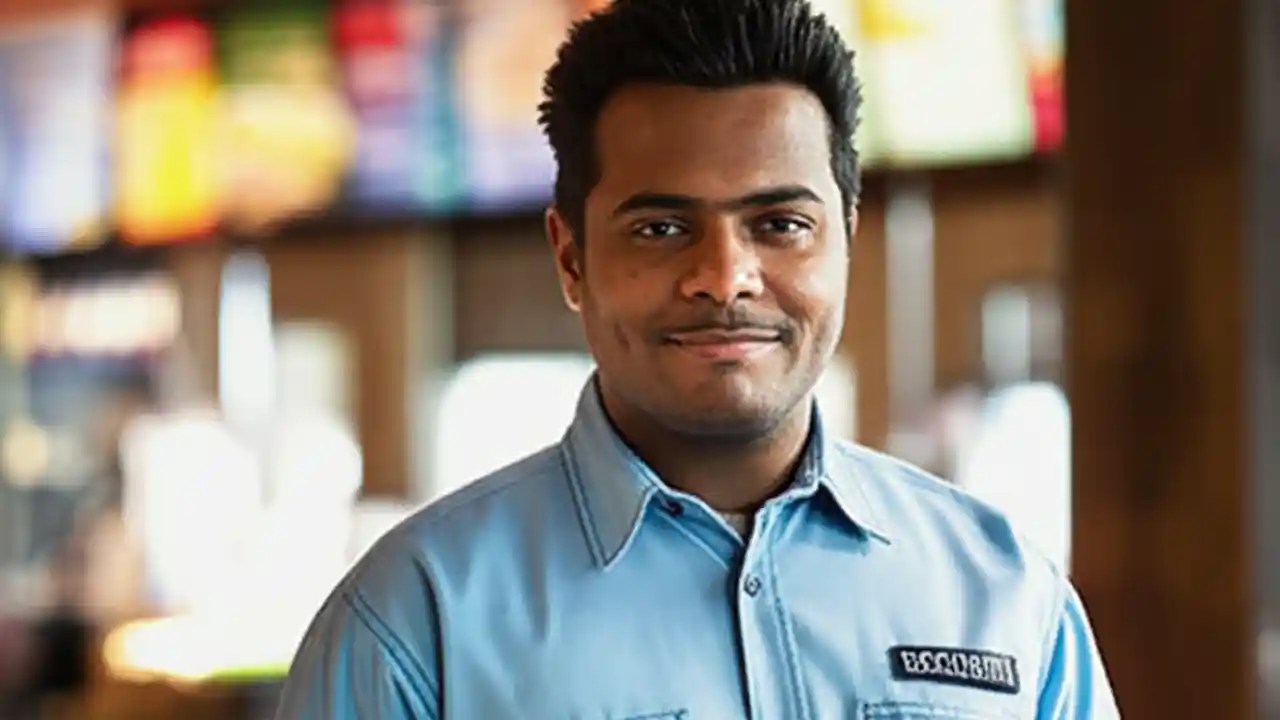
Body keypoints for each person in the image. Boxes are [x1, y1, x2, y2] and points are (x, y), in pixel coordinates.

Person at [275, 0, 1119, 717]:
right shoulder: (413, 624)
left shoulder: (1005, 594)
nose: (724, 277)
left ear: (845, 240)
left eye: (780, 224)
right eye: (661, 228)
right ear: (571, 258)